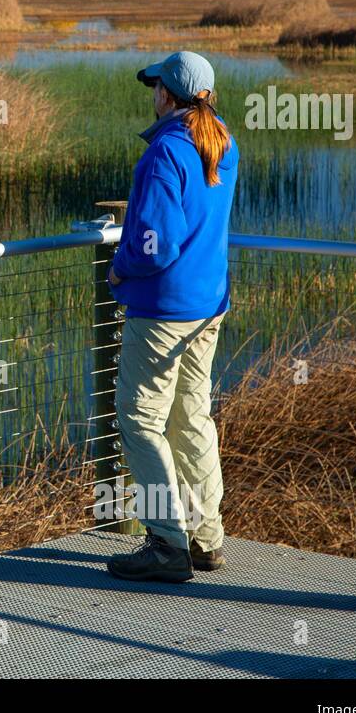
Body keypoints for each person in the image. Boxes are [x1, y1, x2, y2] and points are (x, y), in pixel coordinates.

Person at [104, 50, 239, 583]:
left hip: (163, 308)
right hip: (209, 303)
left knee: (139, 418)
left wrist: (120, 269)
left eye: (155, 86)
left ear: (167, 95)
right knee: (190, 417)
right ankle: (207, 539)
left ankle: (164, 543)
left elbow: (155, 244)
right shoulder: (221, 141)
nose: (152, 94)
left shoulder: (166, 151)